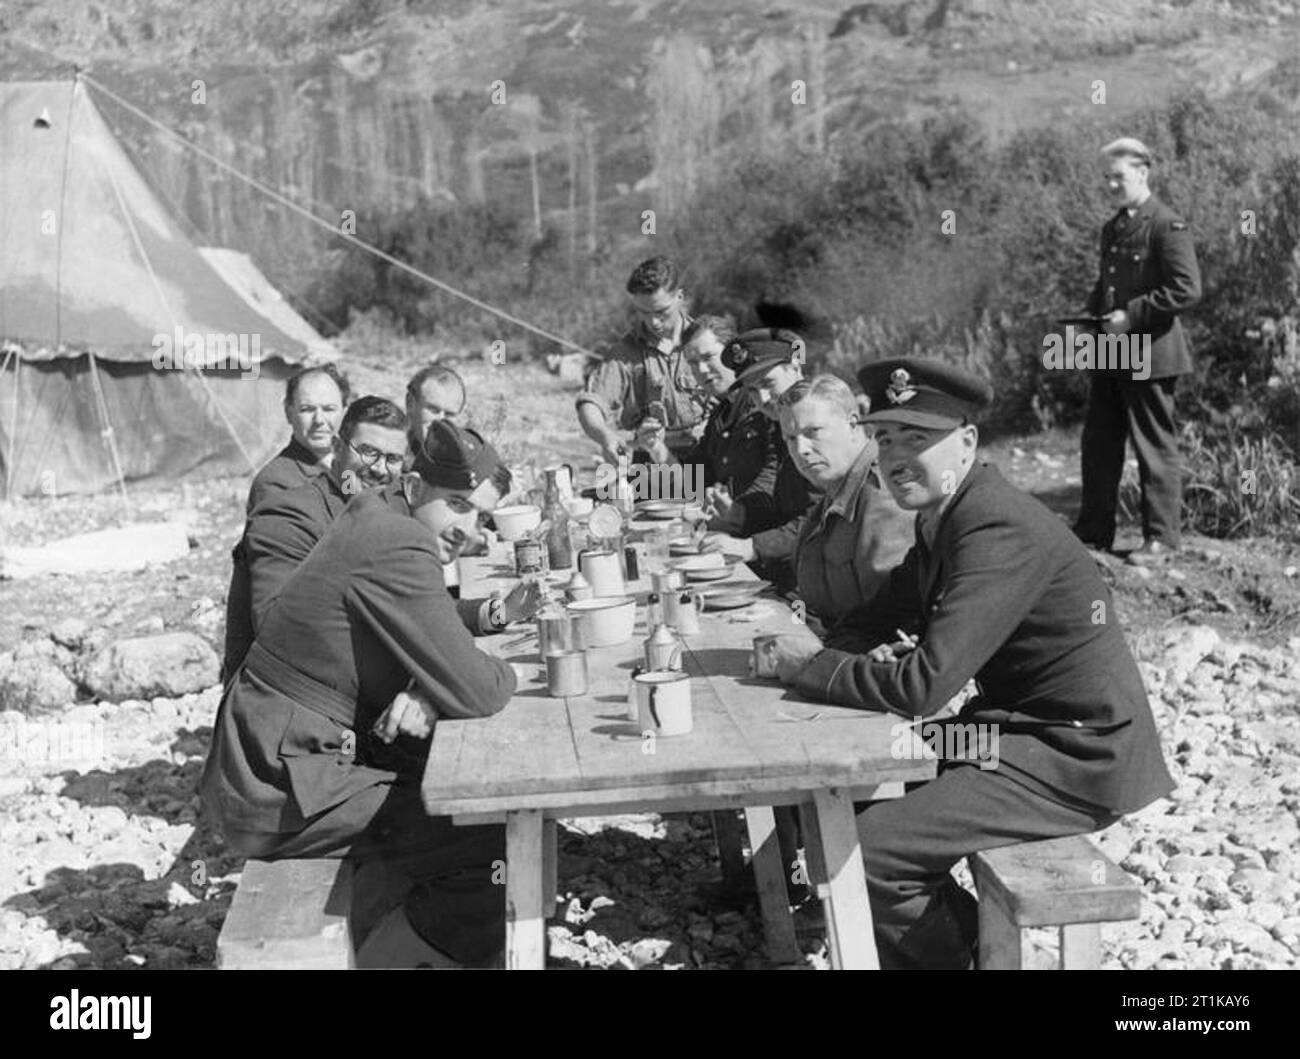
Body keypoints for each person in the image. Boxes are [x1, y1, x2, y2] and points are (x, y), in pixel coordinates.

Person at [765, 357, 1174, 969]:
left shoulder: (995, 526)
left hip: (1069, 754)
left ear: (966, 441)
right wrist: (816, 655)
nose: (897, 455)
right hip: (1008, 732)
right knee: (849, 785)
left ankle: (965, 957)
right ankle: (970, 944)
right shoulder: (945, 515)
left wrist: (810, 670)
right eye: (886, 438)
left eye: (918, 438)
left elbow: (922, 687)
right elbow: (877, 617)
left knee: (869, 850)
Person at [201, 420, 542, 968]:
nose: (468, 529)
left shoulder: (379, 513)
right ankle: (400, 956)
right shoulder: (399, 540)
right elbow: (479, 691)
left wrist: (445, 660)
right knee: (495, 837)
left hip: (279, 757)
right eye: (456, 505)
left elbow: (411, 618)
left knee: (449, 790)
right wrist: (516, 673)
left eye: (478, 514)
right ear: (413, 487)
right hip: (280, 787)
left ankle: (414, 938)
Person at [1074, 137, 1202, 566]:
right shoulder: (1112, 227)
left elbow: (1186, 289)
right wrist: (1088, 319)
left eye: (1119, 176)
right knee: (1099, 442)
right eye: (1107, 177)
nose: (1111, 185)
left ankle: (1162, 540)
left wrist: (1130, 315)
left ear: (1143, 173)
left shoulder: (1167, 224)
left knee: (1153, 445)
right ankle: (1094, 533)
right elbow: (1105, 285)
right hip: (1113, 351)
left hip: (1151, 351)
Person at [221, 396, 410, 682]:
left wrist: (495, 612)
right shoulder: (290, 513)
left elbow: (418, 604)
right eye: (368, 452)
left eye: (393, 459)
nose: (380, 469)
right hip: (292, 698)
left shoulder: (390, 507)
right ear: (336, 448)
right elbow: (278, 631)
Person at [777, 375, 913, 630]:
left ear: (853, 424)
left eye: (813, 432)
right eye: (790, 439)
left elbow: (889, 621)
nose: (801, 449)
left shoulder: (882, 494)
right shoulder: (837, 486)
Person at [703, 329, 816, 589]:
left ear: (795, 367)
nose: (763, 399)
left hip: (812, 581)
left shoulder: (813, 425)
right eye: (753, 390)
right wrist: (738, 513)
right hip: (788, 562)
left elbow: (819, 518)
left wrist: (751, 544)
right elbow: (697, 471)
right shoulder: (770, 420)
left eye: (768, 384)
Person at [575, 256, 708, 468]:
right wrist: (604, 436)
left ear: (680, 297)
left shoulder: (708, 342)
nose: (653, 322)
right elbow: (591, 402)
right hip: (652, 464)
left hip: (709, 458)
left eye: (661, 312)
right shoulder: (625, 352)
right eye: (644, 312)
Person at [246, 363, 350, 513]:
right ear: (289, 414)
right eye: (307, 409)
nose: (319, 420)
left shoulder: (358, 465)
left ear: (345, 414)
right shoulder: (276, 483)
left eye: (328, 409)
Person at [404, 364, 466, 457]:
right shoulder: (384, 445)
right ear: (410, 403)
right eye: (433, 410)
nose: (440, 421)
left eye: (449, 415)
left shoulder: (471, 460)